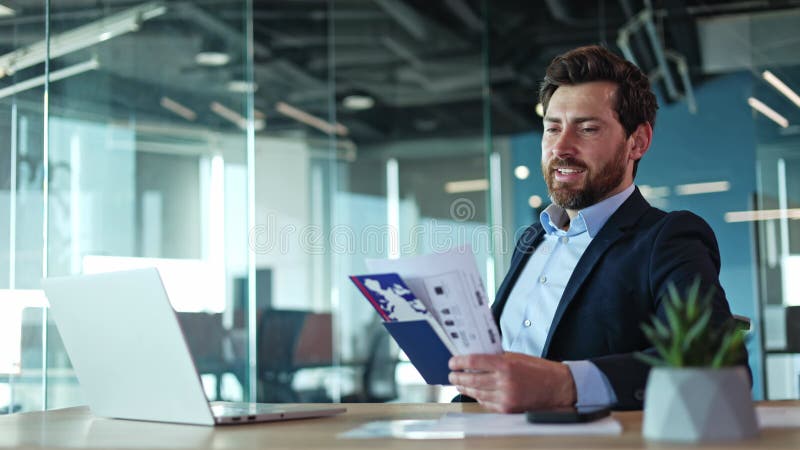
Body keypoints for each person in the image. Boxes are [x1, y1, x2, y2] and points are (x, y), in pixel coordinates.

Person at [448, 45, 748, 412]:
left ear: (637, 142)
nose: (561, 147)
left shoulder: (669, 238)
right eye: (552, 128)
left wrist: (565, 384)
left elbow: (717, 365)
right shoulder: (531, 240)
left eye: (587, 129)